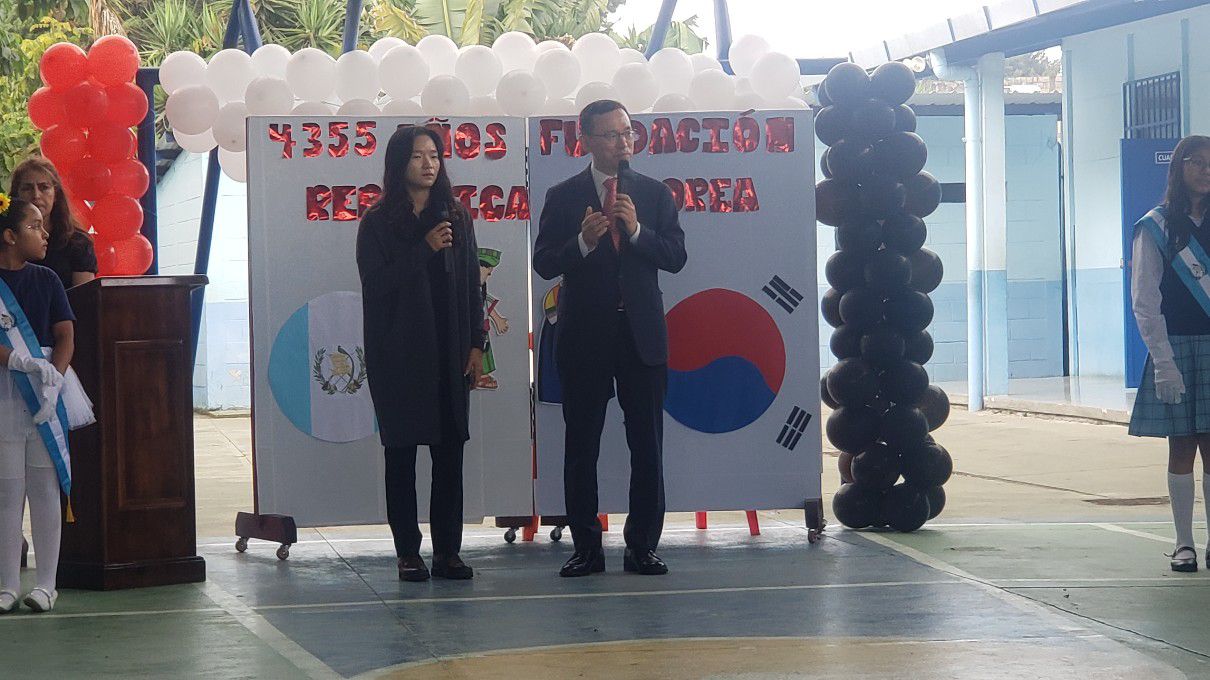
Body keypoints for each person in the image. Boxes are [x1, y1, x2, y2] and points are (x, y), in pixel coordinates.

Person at [533, 100, 687, 577]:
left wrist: (637, 230)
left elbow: (676, 256)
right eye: (612, 135)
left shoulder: (654, 193)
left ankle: (642, 546)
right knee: (581, 448)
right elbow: (544, 263)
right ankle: (586, 548)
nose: (623, 143)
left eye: (628, 133)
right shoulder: (563, 196)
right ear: (586, 140)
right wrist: (583, 242)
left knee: (648, 447)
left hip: (641, 336)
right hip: (585, 337)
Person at [356, 126, 485, 582]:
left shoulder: (456, 216)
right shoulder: (377, 222)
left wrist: (476, 344)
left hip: (450, 353)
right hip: (399, 356)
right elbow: (375, 286)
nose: (429, 164)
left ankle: (448, 552)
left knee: (450, 457)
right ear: (399, 163)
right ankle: (408, 552)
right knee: (402, 457)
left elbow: (471, 284)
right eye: (417, 156)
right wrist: (423, 249)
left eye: (434, 155)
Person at [0, 193, 93, 612]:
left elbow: (65, 334)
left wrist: (54, 378)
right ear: (9, 236)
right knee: (6, 491)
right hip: (6, 385)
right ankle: (7, 585)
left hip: (45, 386)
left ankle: (46, 584)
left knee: (44, 485)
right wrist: (16, 360)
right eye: (34, 226)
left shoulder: (48, 279)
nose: (44, 233)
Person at [1129, 134, 1210, 572]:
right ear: (1179, 168)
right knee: (1181, 447)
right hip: (1175, 347)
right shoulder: (1156, 226)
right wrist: (1163, 362)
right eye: (1196, 161)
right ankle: (1184, 544)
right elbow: (1145, 299)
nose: (1205, 170)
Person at [10, 157, 97, 290]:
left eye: (44, 187)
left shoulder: (78, 243)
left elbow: (85, 298)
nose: (36, 195)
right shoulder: (6, 239)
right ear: (16, 195)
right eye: (27, 188)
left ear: (56, 194)